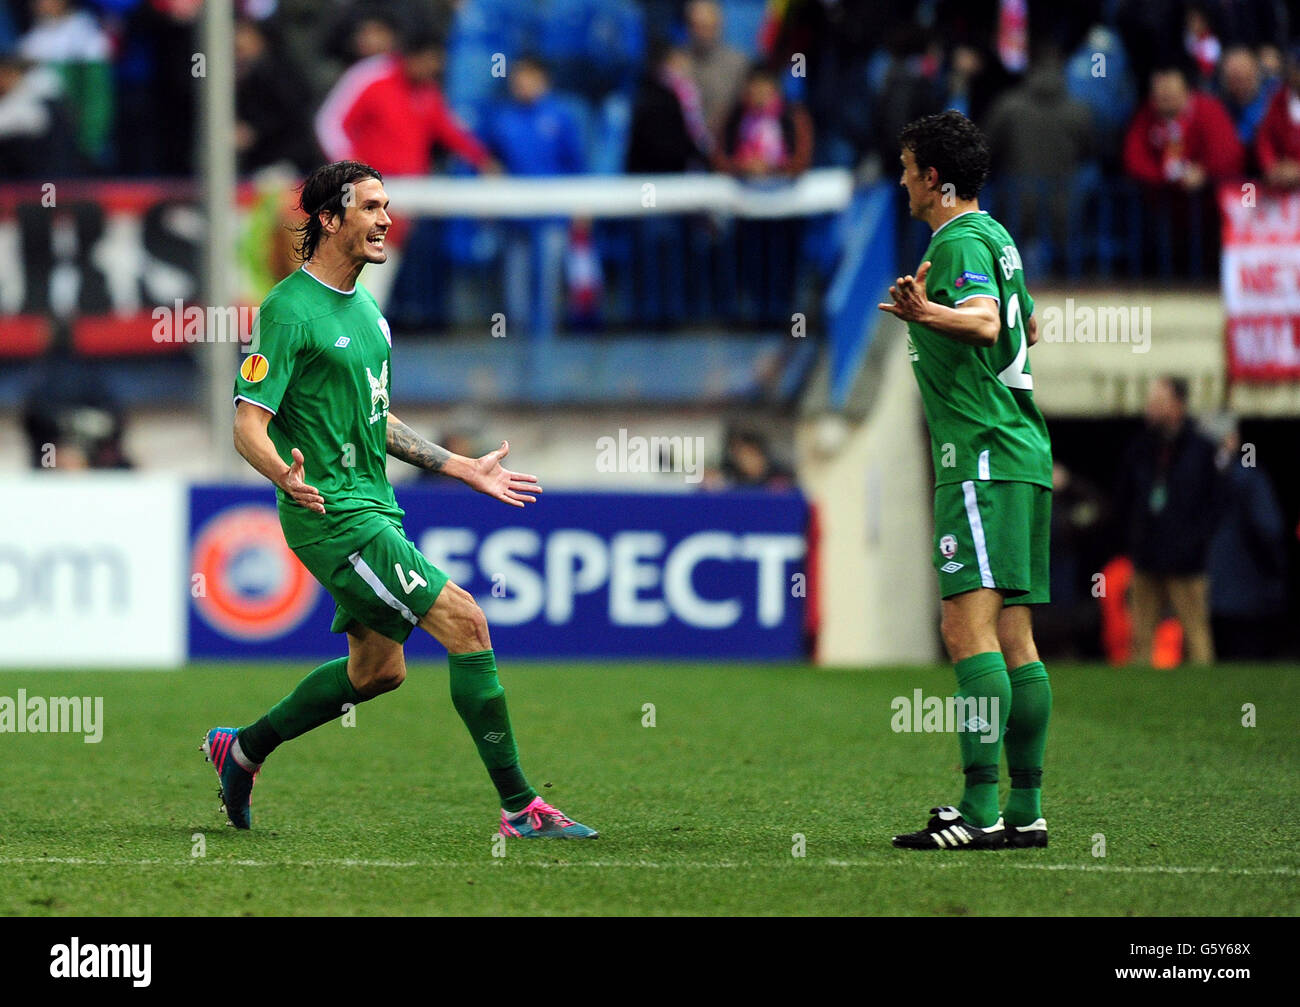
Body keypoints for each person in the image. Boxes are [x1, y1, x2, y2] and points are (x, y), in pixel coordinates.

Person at [204, 160, 596, 840]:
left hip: (374, 504)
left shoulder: (370, 316)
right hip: (332, 516)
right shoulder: (287, 308)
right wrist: (283, 475)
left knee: (379, 670)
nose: (387, 218)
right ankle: (521, 806)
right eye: (373, 206)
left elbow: (374, 421)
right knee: (466, 621)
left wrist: (459, 466)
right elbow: (247, 422)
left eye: (388, 206)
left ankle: (242, 748)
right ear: (330, 218)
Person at [878, 111, 1053, 851]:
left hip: (979, 454)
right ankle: (1025, 809)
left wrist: (931, 312)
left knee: (964, 628)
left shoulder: (956, 241)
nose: (901, 179)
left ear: (934, 180)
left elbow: (986, 323)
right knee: (1015, 636)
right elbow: (1028, 327)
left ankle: (979, 811)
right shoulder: (998, 238)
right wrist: (937, 315)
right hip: (1020, 452)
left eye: (908, 166)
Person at [1113, 376, 1222, 666]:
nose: (1150, 409)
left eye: (1158, 402)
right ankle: (1138, 697)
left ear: (1177, 405)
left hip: (1187, 561)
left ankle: (1205, 693)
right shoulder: (1139, 450)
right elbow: (1124, 500)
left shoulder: (1202, 450)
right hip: (1146, 555)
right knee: (1140, 635)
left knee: (1196, 633)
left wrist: (1195, 542)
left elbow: (1214, 505)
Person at [1204, 416, 1286, 660]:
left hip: (1206, 590)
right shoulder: (1250, 477)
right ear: (1233, 439)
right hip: (1248, 593)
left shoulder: (1196, 476)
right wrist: (1276, 572)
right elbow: (1270, 529)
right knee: (1247, 666)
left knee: (1210, 670)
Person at [1256, 44, 1300, 189]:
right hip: (1282, 185)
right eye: (1297, 68)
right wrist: (1271, 166)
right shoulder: (1278, 99)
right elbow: (1265, 138)